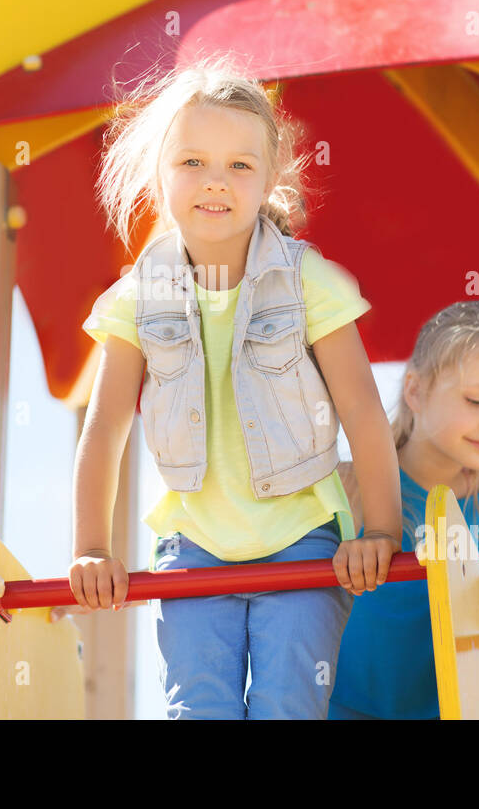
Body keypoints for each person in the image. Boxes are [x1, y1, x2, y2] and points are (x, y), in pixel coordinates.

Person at [66, 54, 401, 719]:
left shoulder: (307, 282)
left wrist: (380, 530)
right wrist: (92, 548)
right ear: (159, 171)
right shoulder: (137, 298)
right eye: (191, 162)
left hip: (302, 537)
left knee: (287, 702)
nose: (213, 183)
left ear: (270, 178)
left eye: (238, 166)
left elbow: (362, 408)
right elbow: (106, 424)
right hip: (194, 546)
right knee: (200, 707)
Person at [327, 300, 479, 720]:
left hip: (436, 707)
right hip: (342, 702)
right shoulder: (353, 483)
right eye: (477, 401)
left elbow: (463, 590)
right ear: (416, 391)